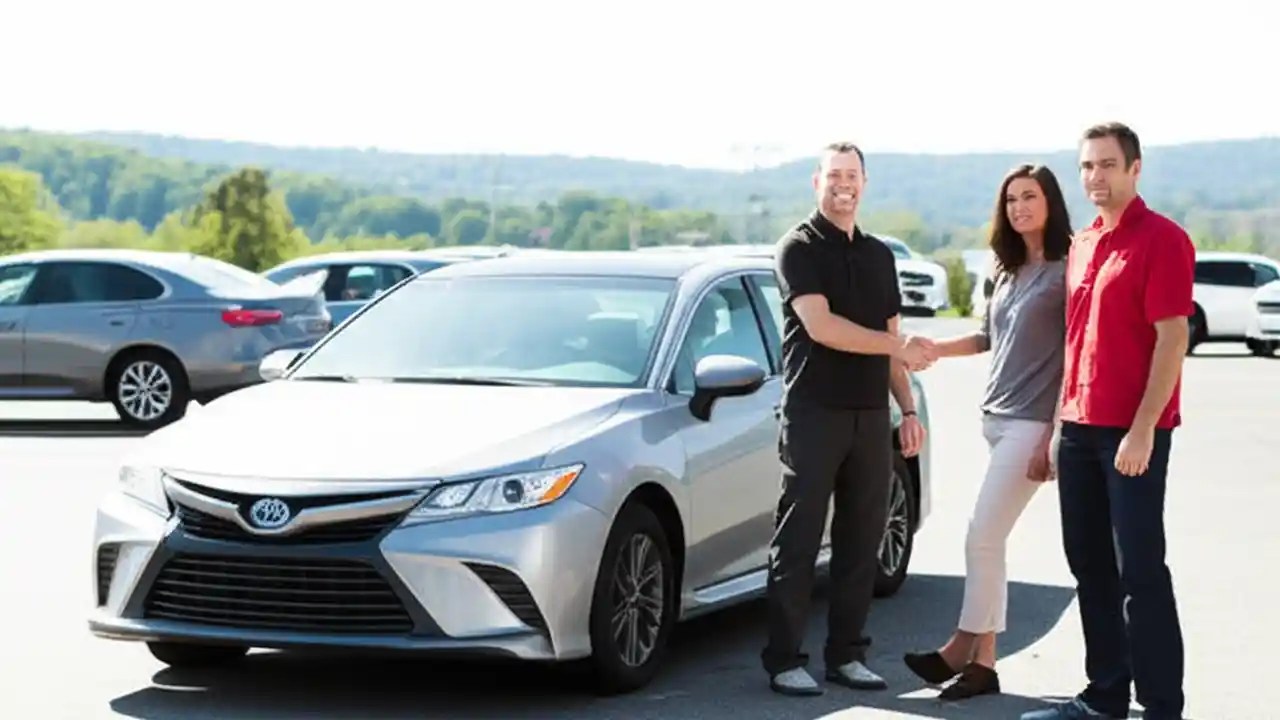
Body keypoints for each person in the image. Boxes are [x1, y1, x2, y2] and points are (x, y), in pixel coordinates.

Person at [1022, 122, 1193, 720]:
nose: (1095, 176)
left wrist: (1144, 428)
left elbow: (1173, 338)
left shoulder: (1164, 239)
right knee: (1089, 565)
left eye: (1107, 165)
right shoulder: (1085, 243)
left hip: (1134, 432)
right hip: (1078, 429)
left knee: (1139, 570)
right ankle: (1105, 697)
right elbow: (1074, 343)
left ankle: (1162, 706)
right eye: (1087, 166)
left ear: (1135, 168)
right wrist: (1056, 427)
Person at [763, 141, 936, 697]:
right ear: (817, 182)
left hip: (870, 416)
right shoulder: (798, 248)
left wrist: (906, 408)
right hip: (814, 415)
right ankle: (785, 659)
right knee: (799, 540)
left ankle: (846, 655)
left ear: (865, 183)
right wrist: (897, 342)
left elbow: (890, 344)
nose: (844, 184)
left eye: (853, 175)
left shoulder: (880, 255)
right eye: (834, 174)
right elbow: (823, 328)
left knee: (861, 541)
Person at [900, 164, 1073, 700]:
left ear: (1050, 202)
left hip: (1033, 423)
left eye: (1030, 196)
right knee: (991, 544)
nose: (1020, 206)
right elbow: (985, 337)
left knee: (980, 534)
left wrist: (1054, 436)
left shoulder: (1070, 267)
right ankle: (984, 666)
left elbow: (1074, 355)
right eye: (1012, 199)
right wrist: (927, 351)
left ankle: (959, 645)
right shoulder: (1007, 268)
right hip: (995, 419)